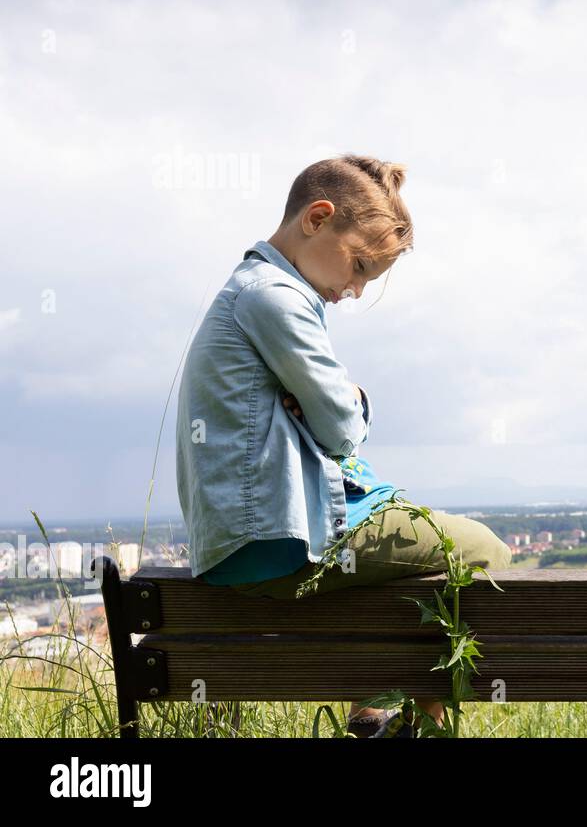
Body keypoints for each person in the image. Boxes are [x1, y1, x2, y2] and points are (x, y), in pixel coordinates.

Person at [175, 154, 512, 738]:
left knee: (406, 558)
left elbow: (325, 421)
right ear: (317, 218)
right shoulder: (274, 298)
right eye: (358, 266)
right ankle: (412, 727)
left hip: (244, 543)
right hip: (273, 544)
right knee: (485, 549)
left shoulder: (250, 290)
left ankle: (370, 716)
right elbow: (341, 428)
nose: (353, 290)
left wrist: (330, 407)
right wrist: (352, 400)